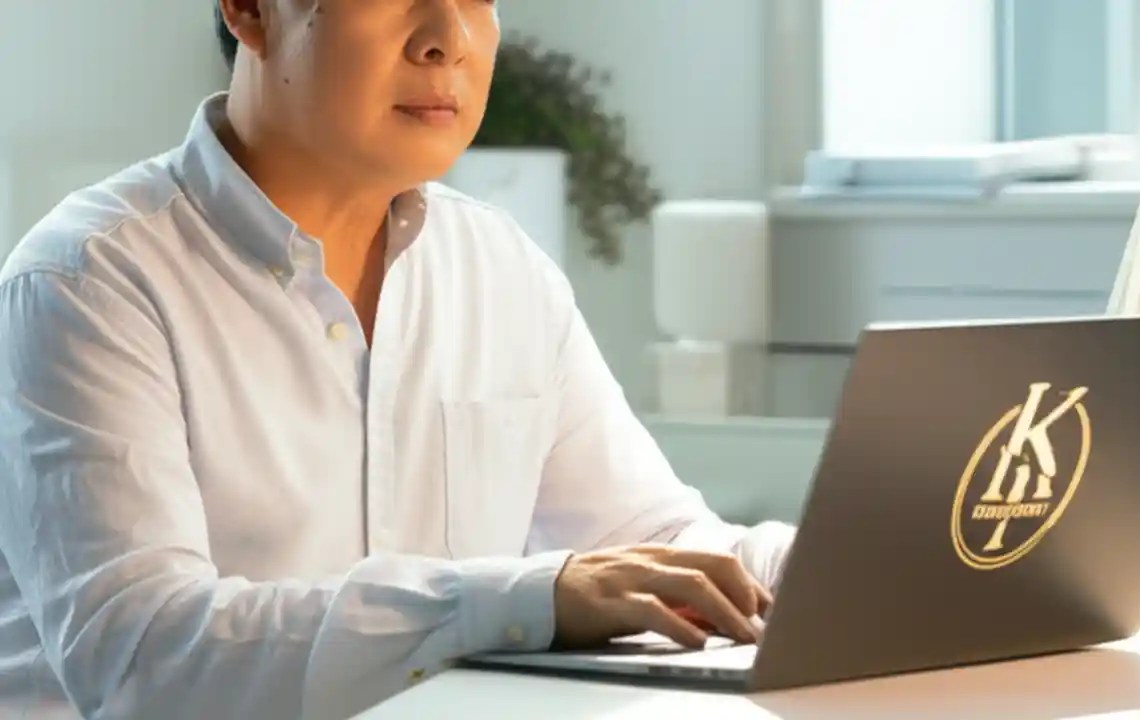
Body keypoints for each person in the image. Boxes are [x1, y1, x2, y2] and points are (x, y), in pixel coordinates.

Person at [0, 2, 796, 718]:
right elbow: (144, 659)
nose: (447, 39)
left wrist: (847, 562)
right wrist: (524, 599)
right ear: (247, 9)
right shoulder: (87, 278)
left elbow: (659, 546)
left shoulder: (500, 268)